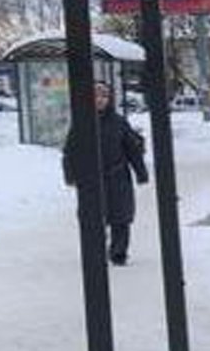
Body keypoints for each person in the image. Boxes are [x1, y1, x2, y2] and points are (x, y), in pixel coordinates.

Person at [62, 81, 148, 266]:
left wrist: (141, 173)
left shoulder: (118, 122)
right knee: (92, 216)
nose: (100, 100)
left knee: (121, 216)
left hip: (117, 176)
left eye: (104, 96)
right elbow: (70, 151)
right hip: (90, 178)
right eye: (96, 96)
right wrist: (70, 174)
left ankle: (118, 252)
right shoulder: (81, 121)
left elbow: (131, 148)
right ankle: (94, 251)